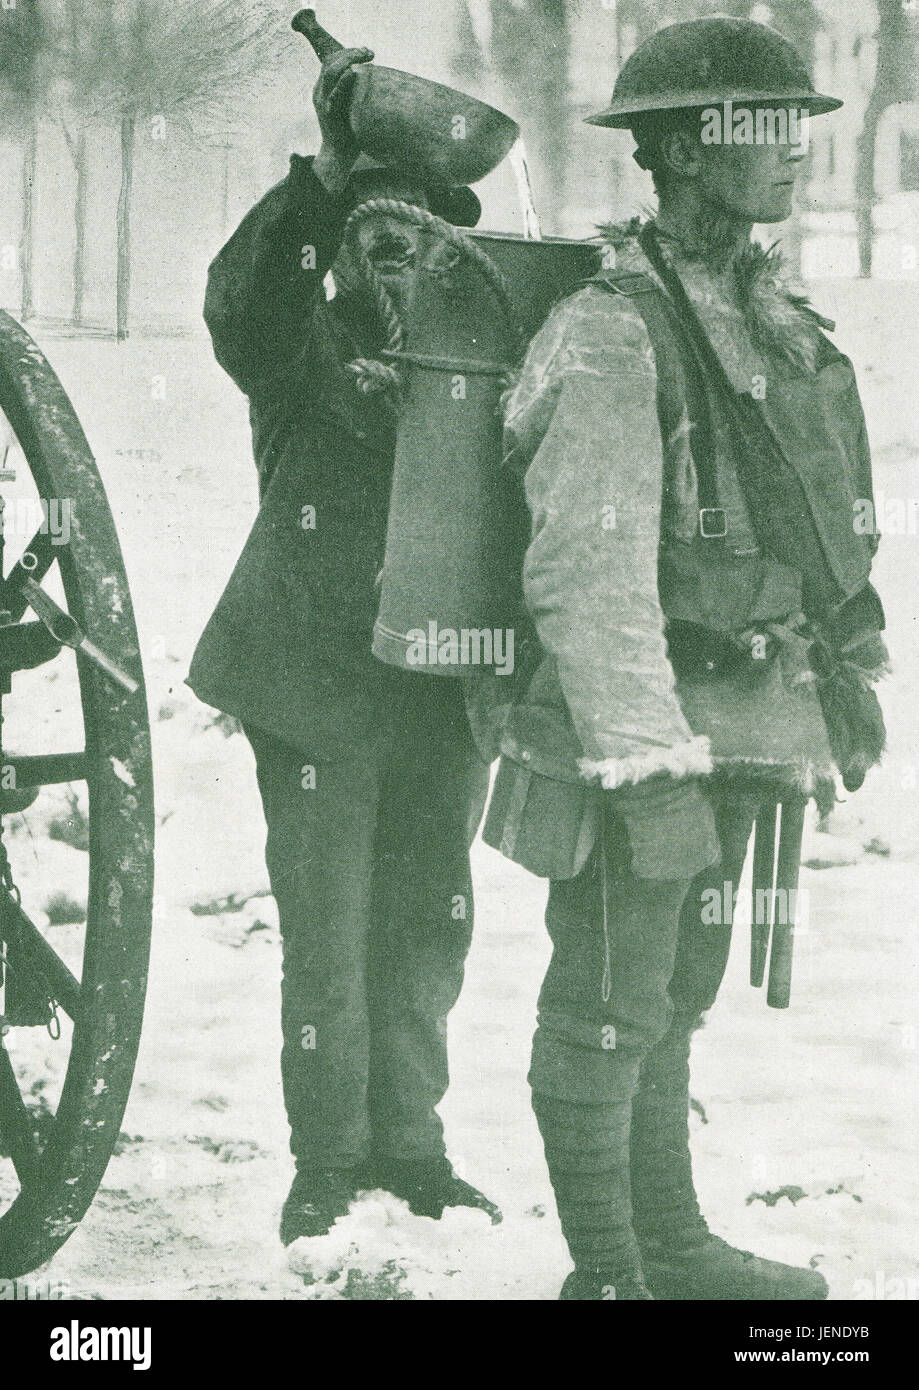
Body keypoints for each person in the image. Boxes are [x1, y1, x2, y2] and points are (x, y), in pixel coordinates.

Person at [473, 16, 888, 1299]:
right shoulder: (613, 329)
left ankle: (671, 1245)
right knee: (604, 1001)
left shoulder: (753, 311)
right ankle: (605, 1274)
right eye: (763, 131)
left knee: (678, 988)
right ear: (692, 151)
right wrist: (643, 764)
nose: (792, 157)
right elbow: (585, 575)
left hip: (745, 709)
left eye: (794, 131)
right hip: (631, 724)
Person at [188, 42, 497, 1243]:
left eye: (415, 224)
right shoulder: (292, 337)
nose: (394, 245)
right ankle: (328, 1159)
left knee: (429, 920)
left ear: (449, 242)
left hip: (439, 678)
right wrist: (320, 183)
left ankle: (413, 1149)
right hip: (312, 678)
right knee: (327, 932)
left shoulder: (484, 350)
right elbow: (243, 301)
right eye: (370, 223)